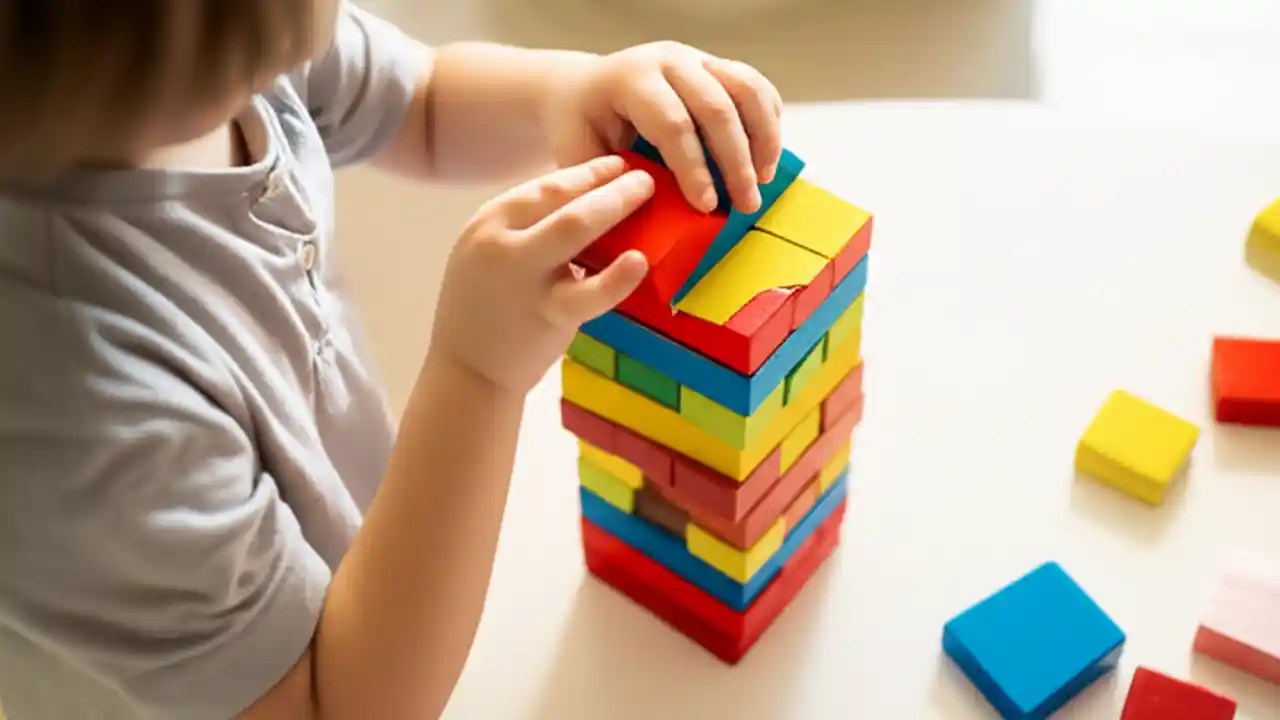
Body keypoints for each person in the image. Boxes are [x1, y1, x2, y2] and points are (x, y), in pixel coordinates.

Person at [0, 1, 783, 718]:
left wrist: (569, 91)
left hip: (340, 580)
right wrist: (476, 375)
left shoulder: (213, 50)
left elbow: (423, 100)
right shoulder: (79, 418)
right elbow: (341, 705)